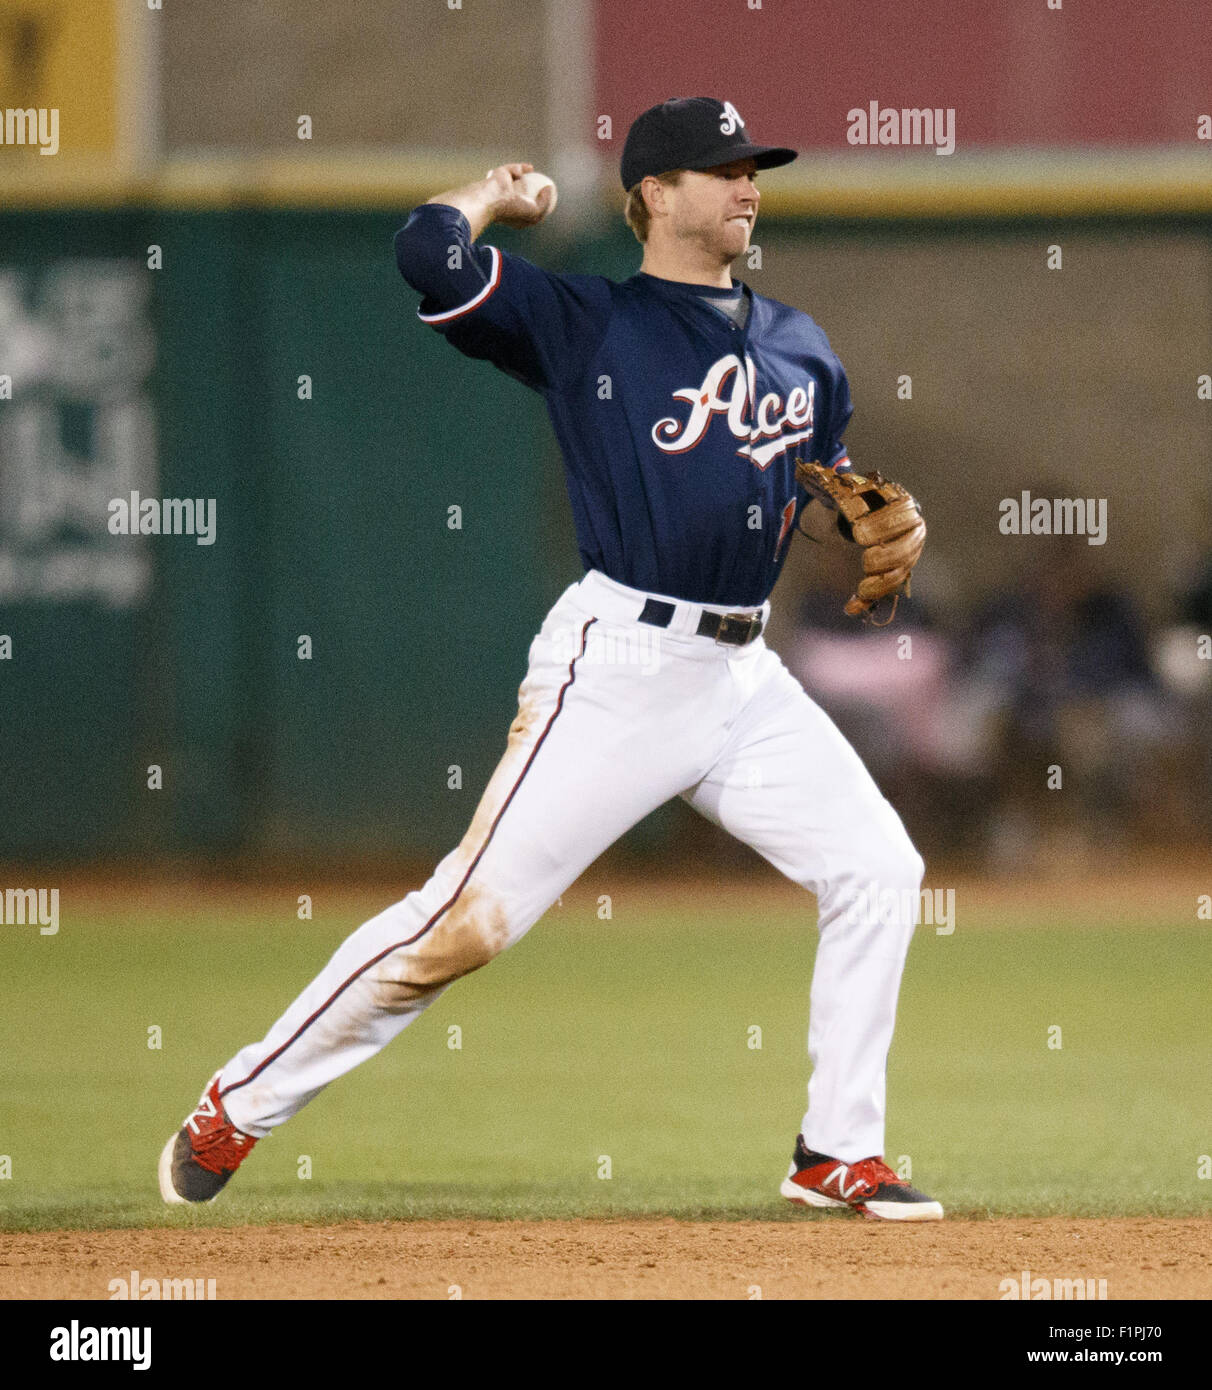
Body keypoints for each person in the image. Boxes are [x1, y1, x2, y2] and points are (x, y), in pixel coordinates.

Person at [159, 97, 941, 1221]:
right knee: (461, 925)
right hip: (619, 663)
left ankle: (837, 1152)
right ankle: (239, 1099)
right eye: (720, 169)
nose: (747, 185)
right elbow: (424, 252)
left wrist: (874, 515)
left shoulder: (801, 347)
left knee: (879, 868)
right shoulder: (587, 323)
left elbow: (831, 481)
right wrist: (493, 195)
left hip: (744, 675)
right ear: (654, 197)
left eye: (753, 168)